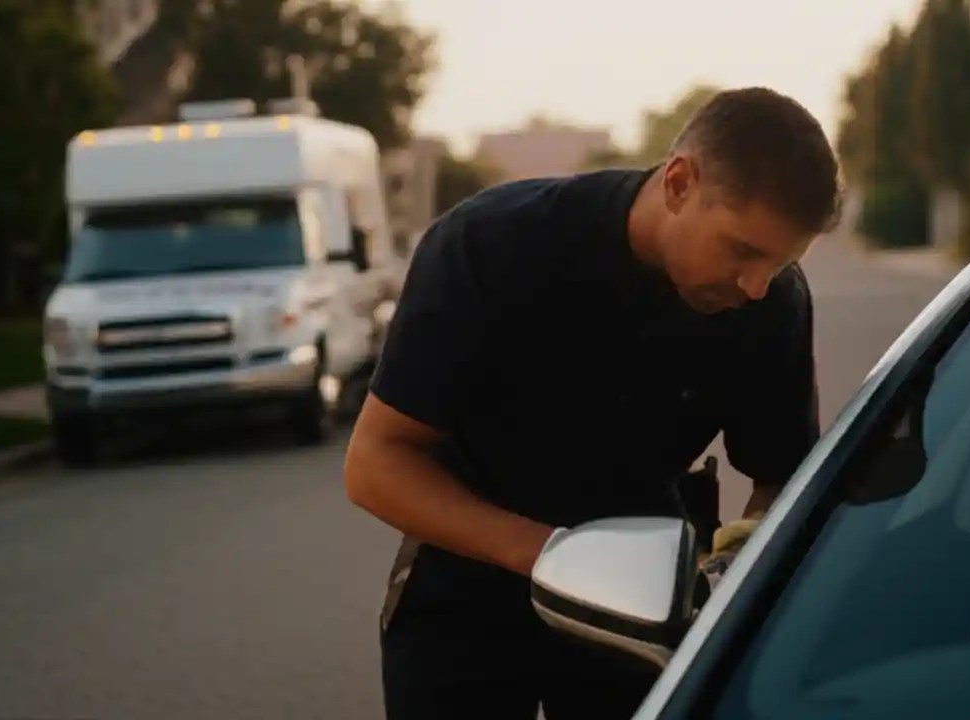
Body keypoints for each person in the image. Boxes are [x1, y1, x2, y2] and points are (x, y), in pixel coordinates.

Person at [343, 86, 842, 720]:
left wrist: (736, 561)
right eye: (743, 249)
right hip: (465, 585)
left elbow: (780, 478)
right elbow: (374, 464)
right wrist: (561, 559)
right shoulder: (493, 244)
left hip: (649, 601)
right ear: (680, 184)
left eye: (781, 261)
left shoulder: (770, 303)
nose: (755, 284)